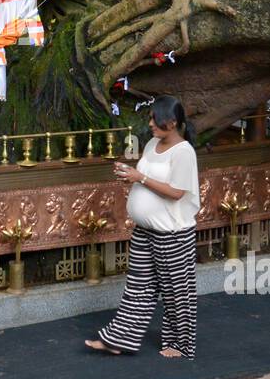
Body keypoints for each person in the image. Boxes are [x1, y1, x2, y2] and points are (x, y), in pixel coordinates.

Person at [86, 95, 201, 360]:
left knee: (177, 292)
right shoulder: (151, 144)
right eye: (150, 118)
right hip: (145, 231)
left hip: (173, 235)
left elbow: (176, 193)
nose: (150, 123)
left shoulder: (184, 152)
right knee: (137, 288)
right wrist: (131, 177)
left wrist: (141, 177)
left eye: (155, 119)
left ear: (172, 123)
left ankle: (182, 346)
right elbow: (147, 180)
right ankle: (118, 339)